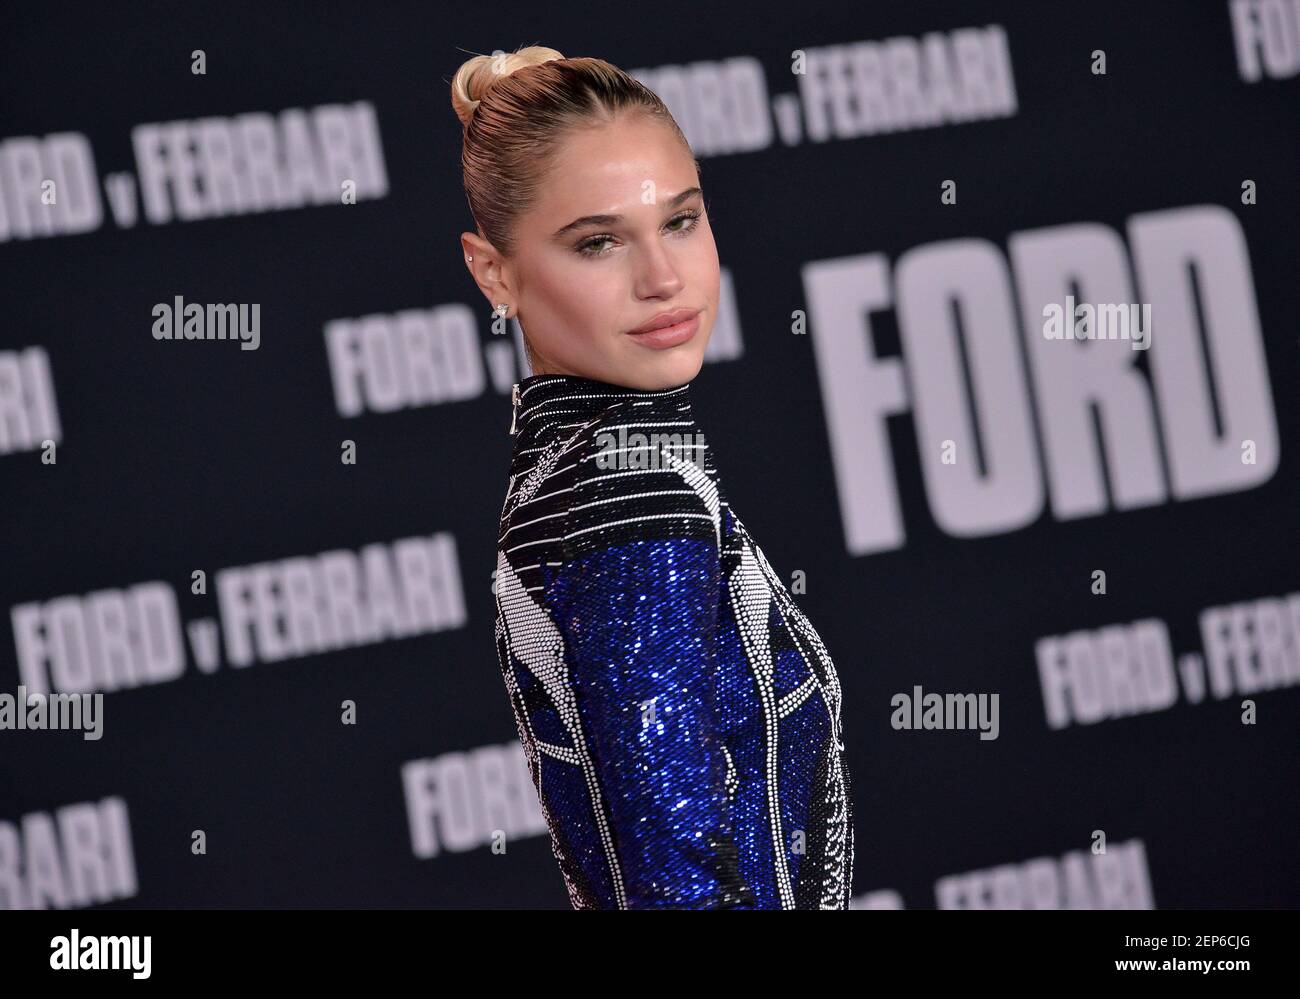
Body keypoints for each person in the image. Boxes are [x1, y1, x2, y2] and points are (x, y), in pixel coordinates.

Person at [455, 45, 854, 909]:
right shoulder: (631, 487)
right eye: (599, 242)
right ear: (494, 272)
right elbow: (675, 878)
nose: (664, 279)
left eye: (681, 220)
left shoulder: (566, 464)